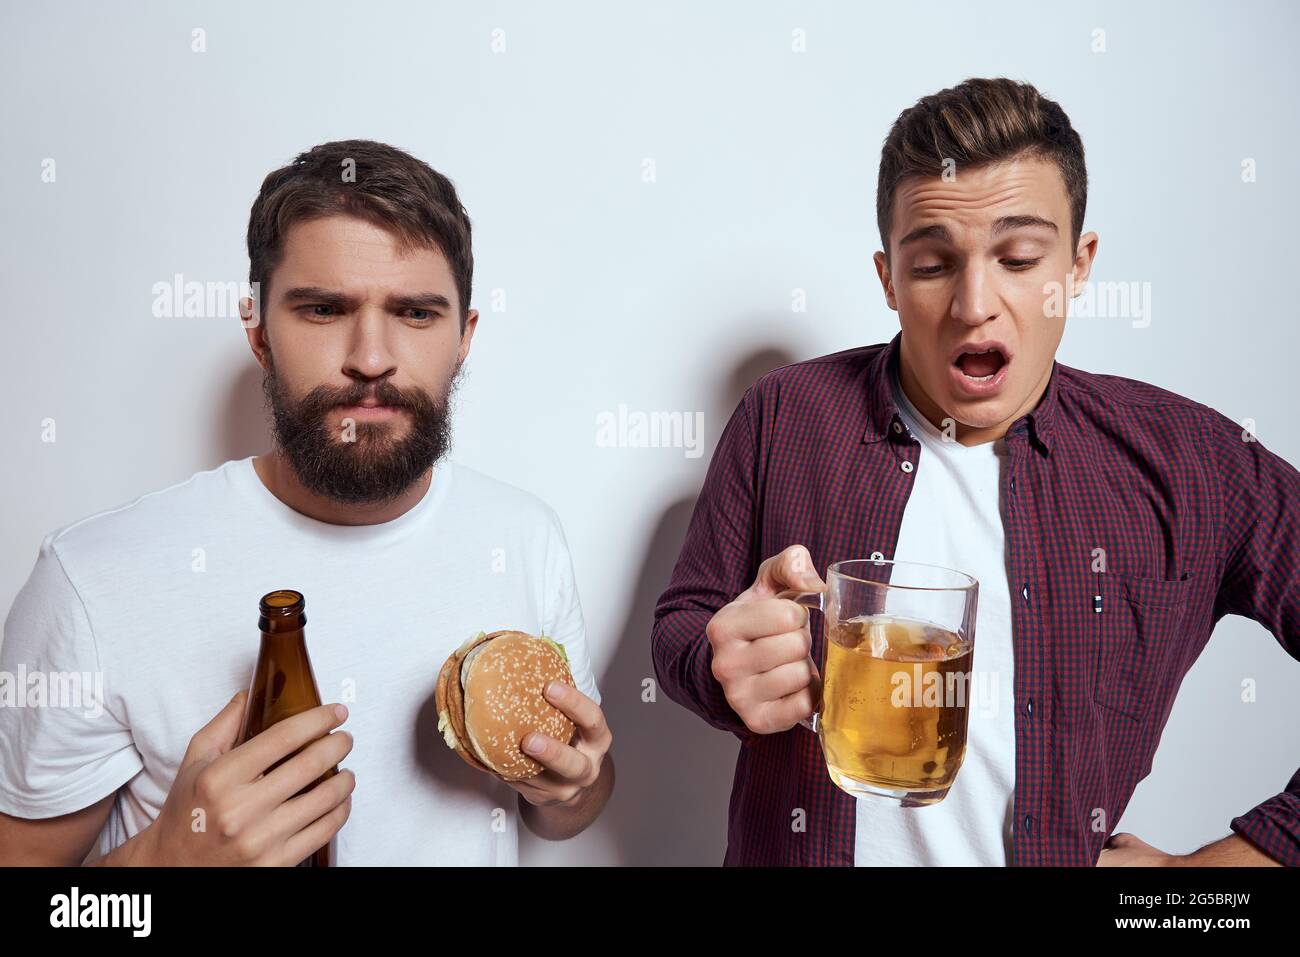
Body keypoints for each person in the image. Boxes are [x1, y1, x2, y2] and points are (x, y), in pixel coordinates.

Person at [652, 78, 1297, 866]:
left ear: (1078, 263)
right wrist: (723, 668)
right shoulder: (785, 415)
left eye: (1019, 257)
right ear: (888, 278)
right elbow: (683, 622)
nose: (974, 303)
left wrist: (1233, 869)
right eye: (932, 265)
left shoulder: (1187, 462)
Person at [0, 139, 613, 865]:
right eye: (323, 308)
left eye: (416, 313)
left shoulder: (523, 535)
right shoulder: (91, 581)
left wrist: (574, 790)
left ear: (464, 337)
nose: (372, 357)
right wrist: (166, 858)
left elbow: (565, 812)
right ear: (258, 330)